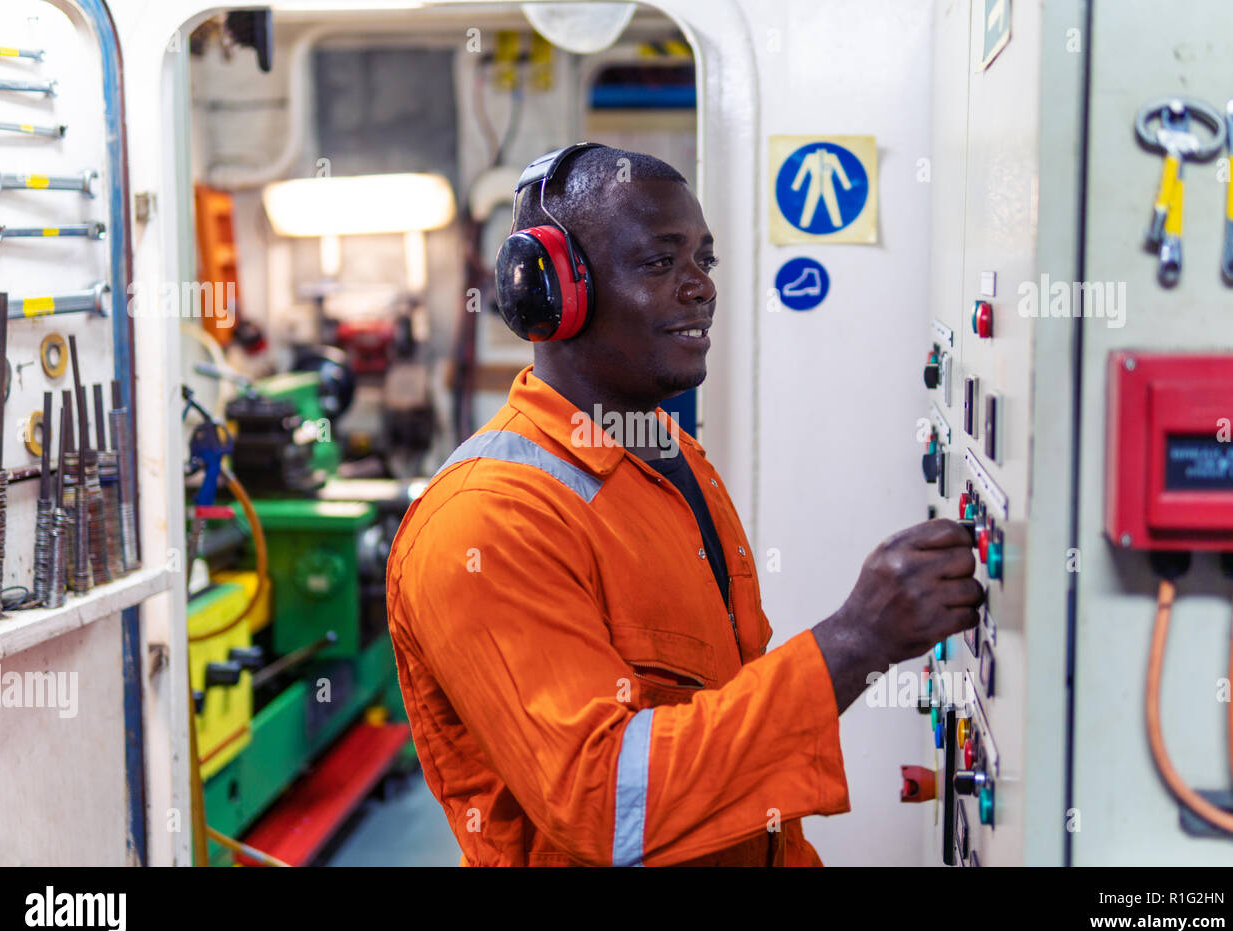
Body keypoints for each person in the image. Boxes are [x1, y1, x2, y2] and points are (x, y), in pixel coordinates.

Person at [385, 143, 983, 867]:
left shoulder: (669, 459)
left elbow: (721, 732)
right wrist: (856, 642)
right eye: (660, 262)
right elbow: (606, 806)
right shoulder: (486, 521)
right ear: (552, 292)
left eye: (705, 260)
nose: (700, 287)